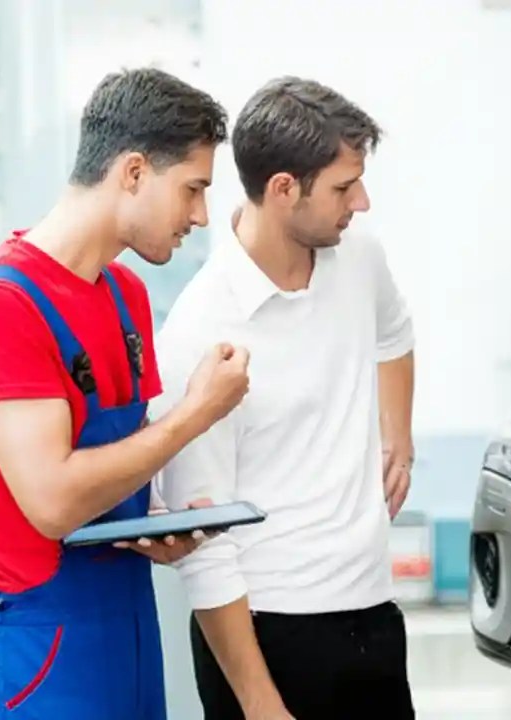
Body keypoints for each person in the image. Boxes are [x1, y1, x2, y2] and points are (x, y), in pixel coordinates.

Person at [0, 67, 251, 720]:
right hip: (32, 647)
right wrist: (195, 413)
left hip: (125, 627)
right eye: (192, 189)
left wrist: (161, 518)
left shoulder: (125, 297)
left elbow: (126, 457)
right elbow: (53, 501)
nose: (200, 215)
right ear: (133, 172)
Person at [150, 76, 417, 720]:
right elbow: (204, 547)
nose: (363, 201)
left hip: (374, 617)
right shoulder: (200, 331)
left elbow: (395, 335)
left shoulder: (360, 259)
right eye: (343, 187)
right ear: (283, 190)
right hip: (269, 635)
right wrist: (261, 704)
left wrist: (397, 438)